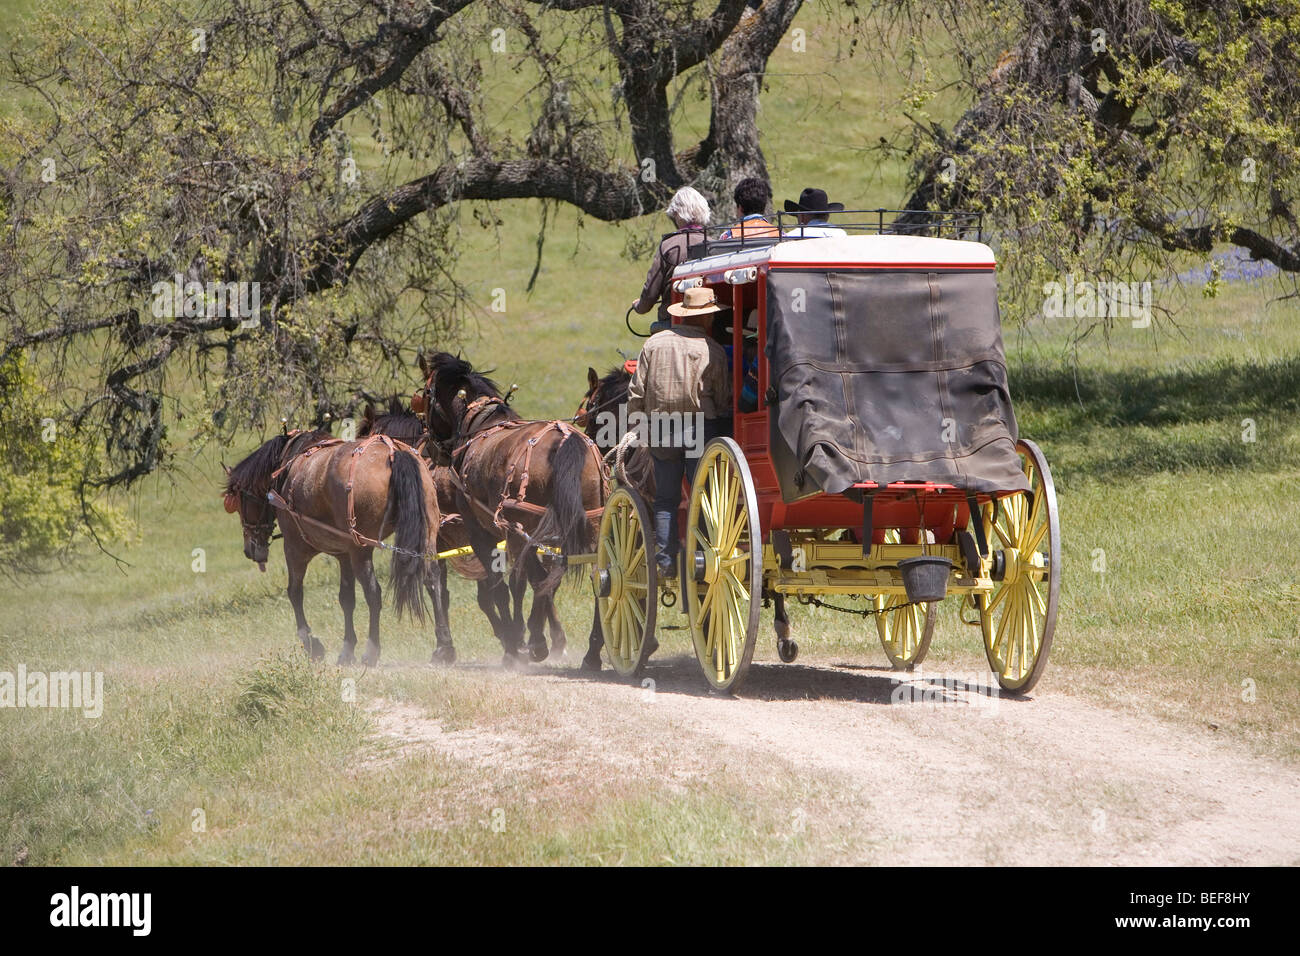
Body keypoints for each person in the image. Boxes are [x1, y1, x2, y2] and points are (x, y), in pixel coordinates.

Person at [627, 285, 733, 582]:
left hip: (661, 427)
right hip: (701, 427)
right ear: (707, 318)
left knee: (666, 498)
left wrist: (639, 426)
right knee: (703, 494)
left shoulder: (653, 344)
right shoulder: (713, 350)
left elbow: (636, 392)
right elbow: (723, 399)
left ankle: (666, 562)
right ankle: (701, 556)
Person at [631, 186, 711, 333]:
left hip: (672, 321)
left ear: (678, 214)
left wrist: (639, 306)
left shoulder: (669, 246)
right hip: (707, 322)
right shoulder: (713, 244)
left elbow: (650, 293)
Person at [783, 187, 848, 238]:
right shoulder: (841, 234)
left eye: (797, 216)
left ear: (802, 216)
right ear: (827, 216)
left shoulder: (793, 236)